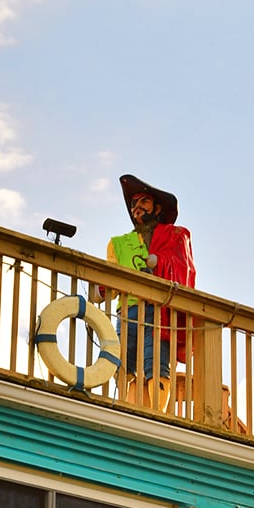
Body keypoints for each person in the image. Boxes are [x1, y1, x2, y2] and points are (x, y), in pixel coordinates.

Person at [102, 174, 196, 410]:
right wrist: (101, 289)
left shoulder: (175, 235)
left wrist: (159, 262)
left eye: (144, 201)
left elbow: (184, 267)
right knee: (123, 361)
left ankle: (157, 410)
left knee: (156, 360)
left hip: (158, 311)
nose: (137, 207)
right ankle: (124, 404)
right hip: (128, 310)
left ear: (157, 207)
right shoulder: (117, 243)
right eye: (134, 204)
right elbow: (109, 277)